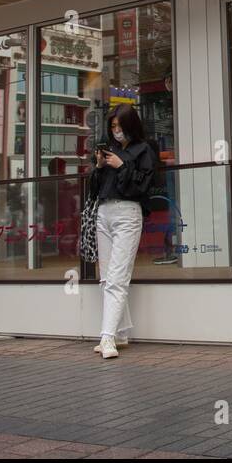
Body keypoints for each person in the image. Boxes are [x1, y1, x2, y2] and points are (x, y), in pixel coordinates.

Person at [90, 105, 158, 359]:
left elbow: (143, 185)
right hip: (104, 213)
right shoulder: (111, 150)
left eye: (119, 126)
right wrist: (99, 166)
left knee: (117, 278)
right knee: (106, 278)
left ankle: (107, 337)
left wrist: (121, 166)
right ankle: (118, 334)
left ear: (130, 125)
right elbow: (95, 189)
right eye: (113, 127)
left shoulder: (144, 149)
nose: (116, 131)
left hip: (128, 213)